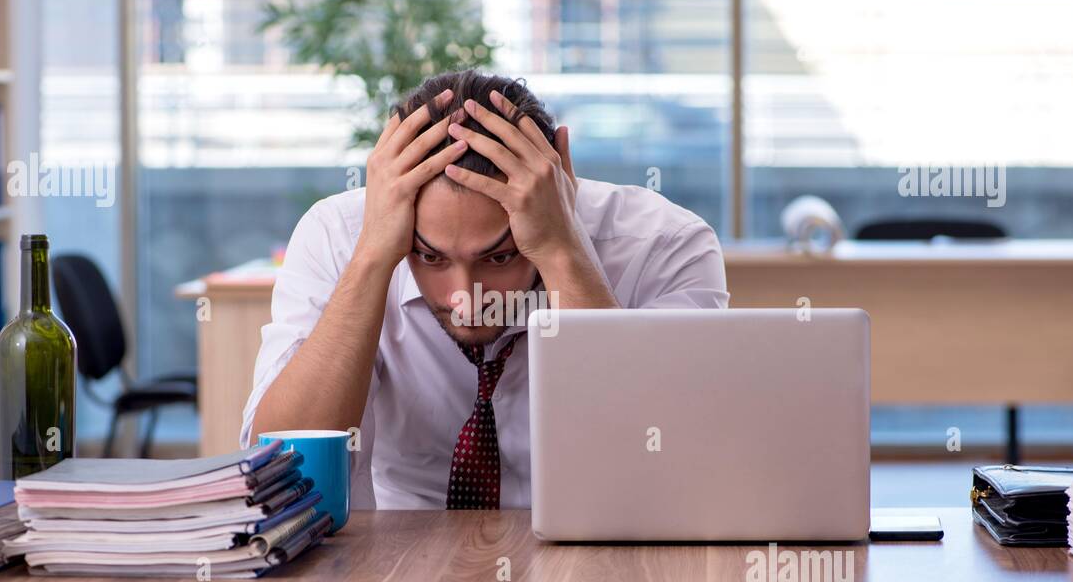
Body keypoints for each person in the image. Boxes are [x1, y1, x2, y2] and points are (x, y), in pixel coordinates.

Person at [243, 69, 728, 509]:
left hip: (601, 552)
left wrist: (563, 252)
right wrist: (372, 257)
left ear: (562, 189)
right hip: (399, 566)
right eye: (431, 257)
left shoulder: (665, 245)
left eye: (499, 257)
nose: (464, 297)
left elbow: (683, 470)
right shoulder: (340, 236)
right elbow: (283, 472)